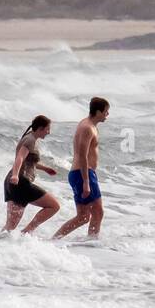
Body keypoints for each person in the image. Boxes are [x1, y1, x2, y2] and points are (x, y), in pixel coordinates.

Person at [52, 97, 109, 239]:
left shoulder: (89, 125)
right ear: (98, 112)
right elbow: (82, 156)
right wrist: (86, 182)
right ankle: (93, 242)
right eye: (106, 112)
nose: (107, 115)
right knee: (98, 212)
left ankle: (54, 240)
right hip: (83, 174)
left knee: (83, 216)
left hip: (82, 174)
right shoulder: (87, 128)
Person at [3, 115, 61, 234]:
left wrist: (45, 168)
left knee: (9, 227)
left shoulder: (30, 136)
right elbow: (19, 158)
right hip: (20, 183)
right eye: (47, 129)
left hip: (12, 183)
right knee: (54, 206)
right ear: (40, 128)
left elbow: (28, 161)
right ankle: (26, 232)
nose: (49, 132)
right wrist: (15, 175)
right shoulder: (30, 140)